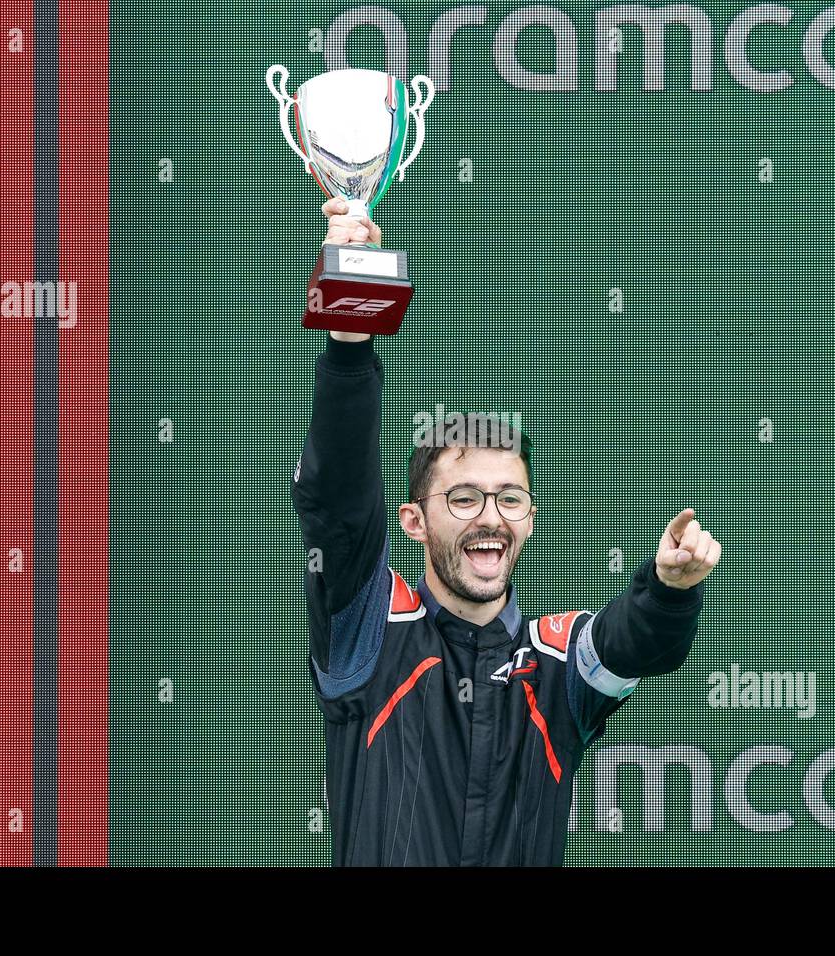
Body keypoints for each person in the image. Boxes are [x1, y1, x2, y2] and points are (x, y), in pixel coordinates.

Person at [292, 197, 721, 866]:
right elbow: (338, 502)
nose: (490, 516)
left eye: (509, 499)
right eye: (463, 497)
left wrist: (668, 592)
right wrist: (351, 331)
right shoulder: (368, 634)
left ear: (530, 517)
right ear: (414, 520)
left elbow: (637, 642)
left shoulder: (559, 663)